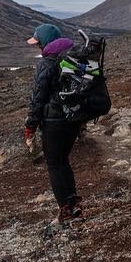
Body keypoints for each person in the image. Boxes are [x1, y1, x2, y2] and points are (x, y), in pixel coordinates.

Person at [24, 23, 85, 224]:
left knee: (54, 163)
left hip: (53, 122)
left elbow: (37, 99)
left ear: (45, 43)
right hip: (73, 120)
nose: (37, 47)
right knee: (63, 160)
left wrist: (30, 126)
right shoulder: (72, 58)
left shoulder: (47, 63)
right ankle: (74, 203)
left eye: (38, 43)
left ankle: (65, 211)